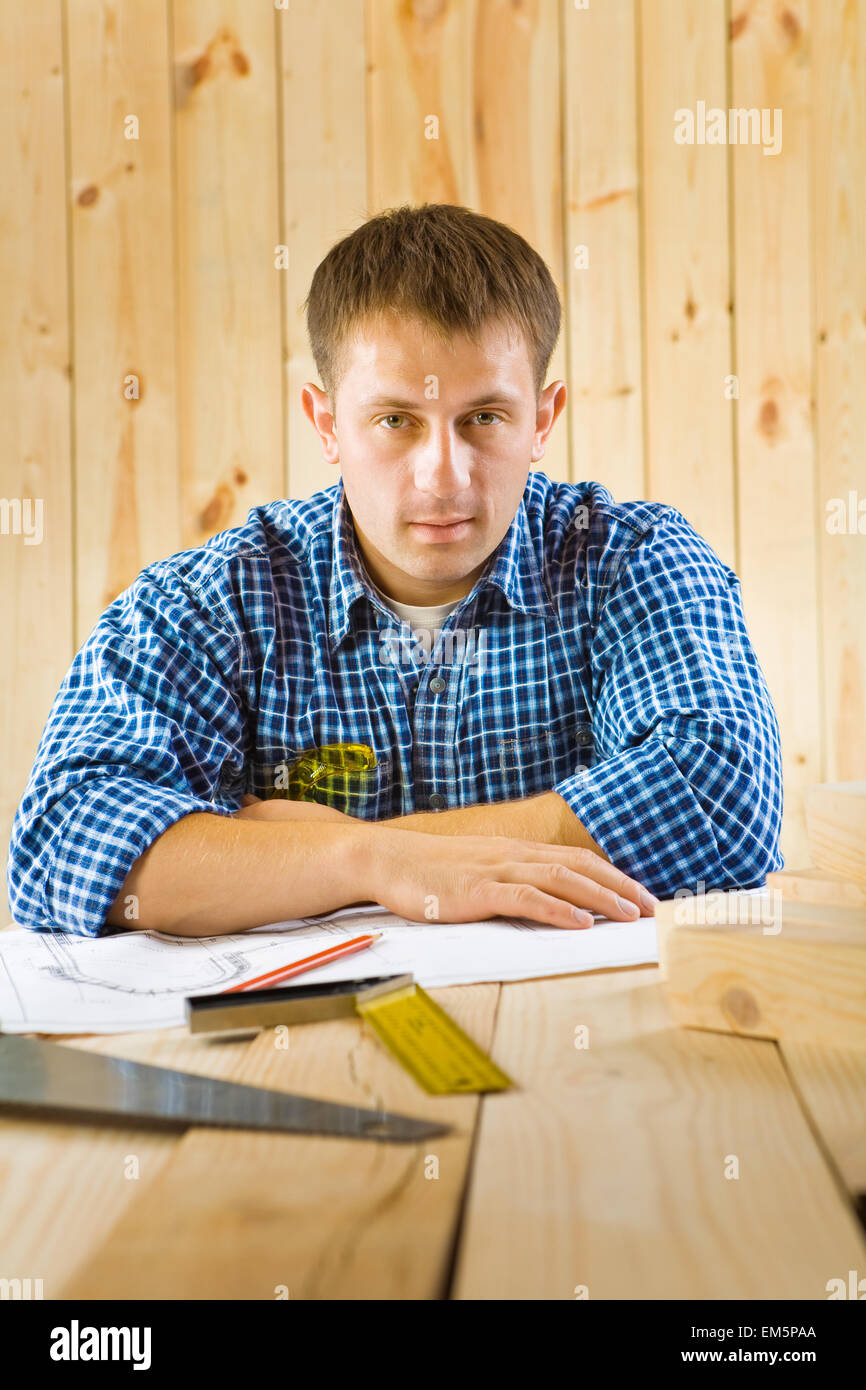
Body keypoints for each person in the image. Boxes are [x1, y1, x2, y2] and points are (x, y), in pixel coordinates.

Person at [7, 204, 784, 938]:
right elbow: (63, 841)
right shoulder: (207, 603)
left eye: (484, 417)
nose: (442, 478)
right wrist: (372, 861)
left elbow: (721, 797)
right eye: (395, 421)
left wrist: (304, 853)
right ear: (327, 424)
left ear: (542, 420)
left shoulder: (633, 560)